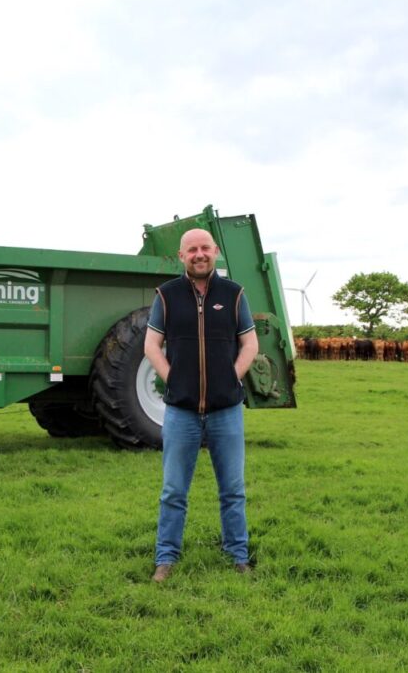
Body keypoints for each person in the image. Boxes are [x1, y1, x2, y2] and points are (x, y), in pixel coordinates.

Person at [144, 228, 259, 582]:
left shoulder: (235, 294)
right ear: (181, 256)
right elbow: (151, 345)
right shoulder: (166, 295)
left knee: (233, 489)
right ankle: (166, 559)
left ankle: (238, 554)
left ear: (216, 252)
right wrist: (173, 378)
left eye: (205, 248)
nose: (199, 254)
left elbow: (250, 344)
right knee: (174, 490)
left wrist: (232, 377)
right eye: (191, 249)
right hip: (181, 412)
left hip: (226, 411)